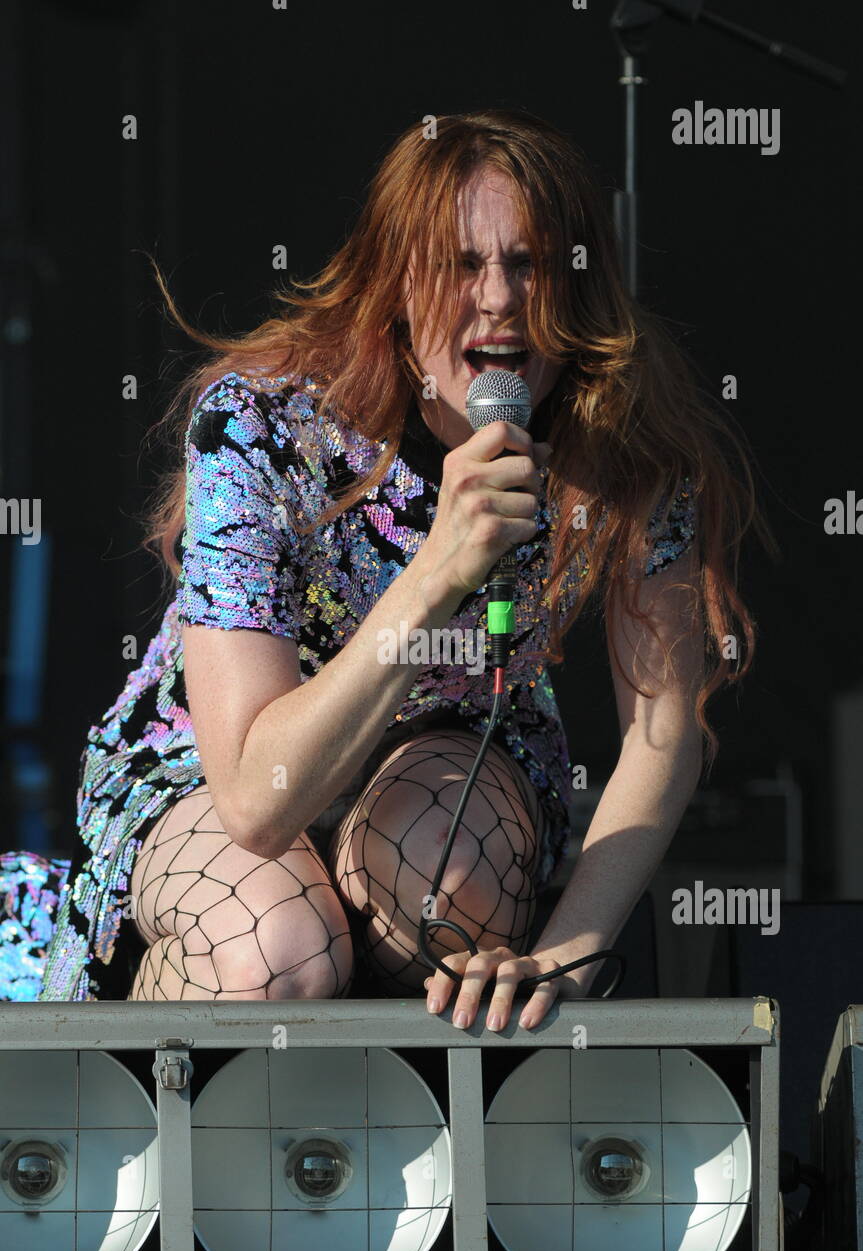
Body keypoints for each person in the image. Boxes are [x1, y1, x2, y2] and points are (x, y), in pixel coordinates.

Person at [35, 109, 760, 1026]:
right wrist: (437, 569)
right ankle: (131, 1135)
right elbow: (257, 802)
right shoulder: (264, 424)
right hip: (219, 766)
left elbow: (663, 739)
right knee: (270, 952)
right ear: (397, 283)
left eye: (529, 262)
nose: (497, 297)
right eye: (461, 264)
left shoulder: (624, 445)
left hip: (454, 746)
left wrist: (562, 962)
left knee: (446, 876)